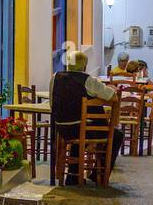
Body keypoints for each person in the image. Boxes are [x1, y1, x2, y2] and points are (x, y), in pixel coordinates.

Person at [49, 50, 120, 184]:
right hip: (82, 128)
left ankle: (73, 176)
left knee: (79, 136)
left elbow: (53, 103)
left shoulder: (55, 77)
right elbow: (112, 96)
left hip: (62, 129)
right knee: (116, 135)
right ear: (85, 65)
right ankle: (98, 174)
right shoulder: (87, 79)